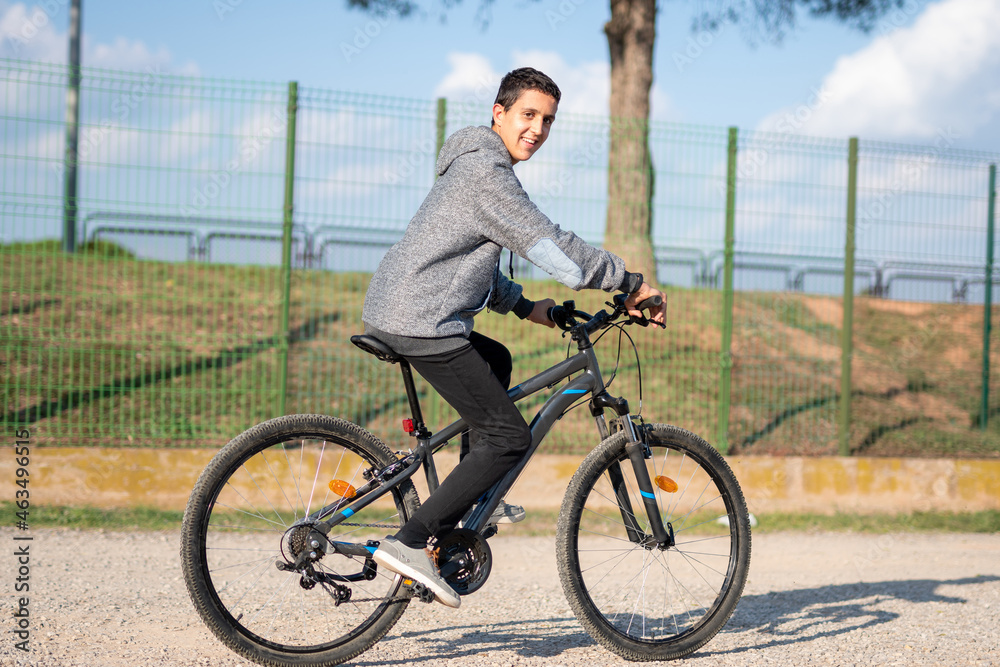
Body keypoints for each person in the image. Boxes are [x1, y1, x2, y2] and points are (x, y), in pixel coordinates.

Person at [363, 67, 665, 608]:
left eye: (548, 120)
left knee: (497, 360)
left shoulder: (475, 166)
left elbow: (463, 258)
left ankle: (469, 492)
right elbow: (548, 245)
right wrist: (630, 282)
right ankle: (410, 542)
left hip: (405, 309)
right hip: (421, 320)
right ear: (499, 113)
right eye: (528, 115)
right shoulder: (487, 173)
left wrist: (526, 307)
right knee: (509, 438)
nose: (538, 129)